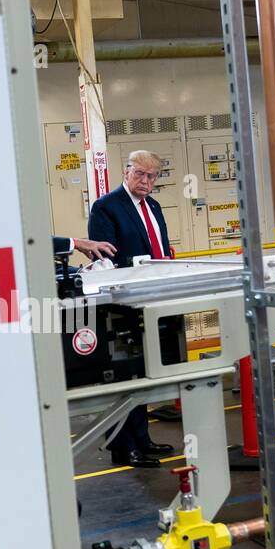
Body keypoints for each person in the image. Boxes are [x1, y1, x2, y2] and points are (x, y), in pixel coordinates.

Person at [85, 150, 176, 468]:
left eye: (152, 176)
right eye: (140, 174)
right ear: (126, 172)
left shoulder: (153, 206)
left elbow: (161, 248)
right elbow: (104, 259)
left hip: (153, 298)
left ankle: (142, 439)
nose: (146, 181)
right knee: (122, 377)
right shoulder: (106, 207)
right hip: (121, 304)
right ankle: (122, 448)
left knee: (141, 373)